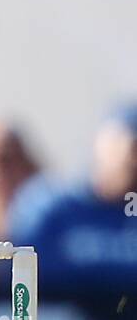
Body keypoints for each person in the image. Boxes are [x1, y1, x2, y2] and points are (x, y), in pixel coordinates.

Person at [9, 103, 137, 296]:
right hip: (62, 316)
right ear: (102, 145)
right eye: (132, 148)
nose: (131, 160)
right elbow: (19, 273)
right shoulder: (52, 205)